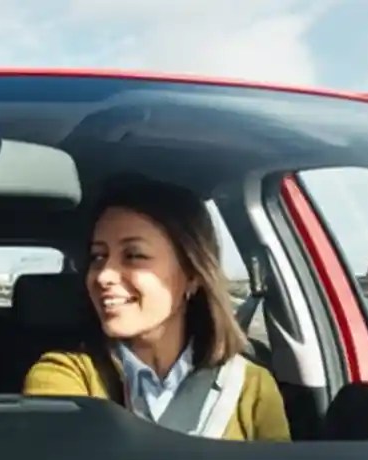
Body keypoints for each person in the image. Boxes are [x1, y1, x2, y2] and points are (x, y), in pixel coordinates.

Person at [22, 176, 291, 441]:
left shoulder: (251, 385)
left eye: (134, 255)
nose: (103, 275)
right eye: (98, 257)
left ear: (192, 273)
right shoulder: (63, 376)